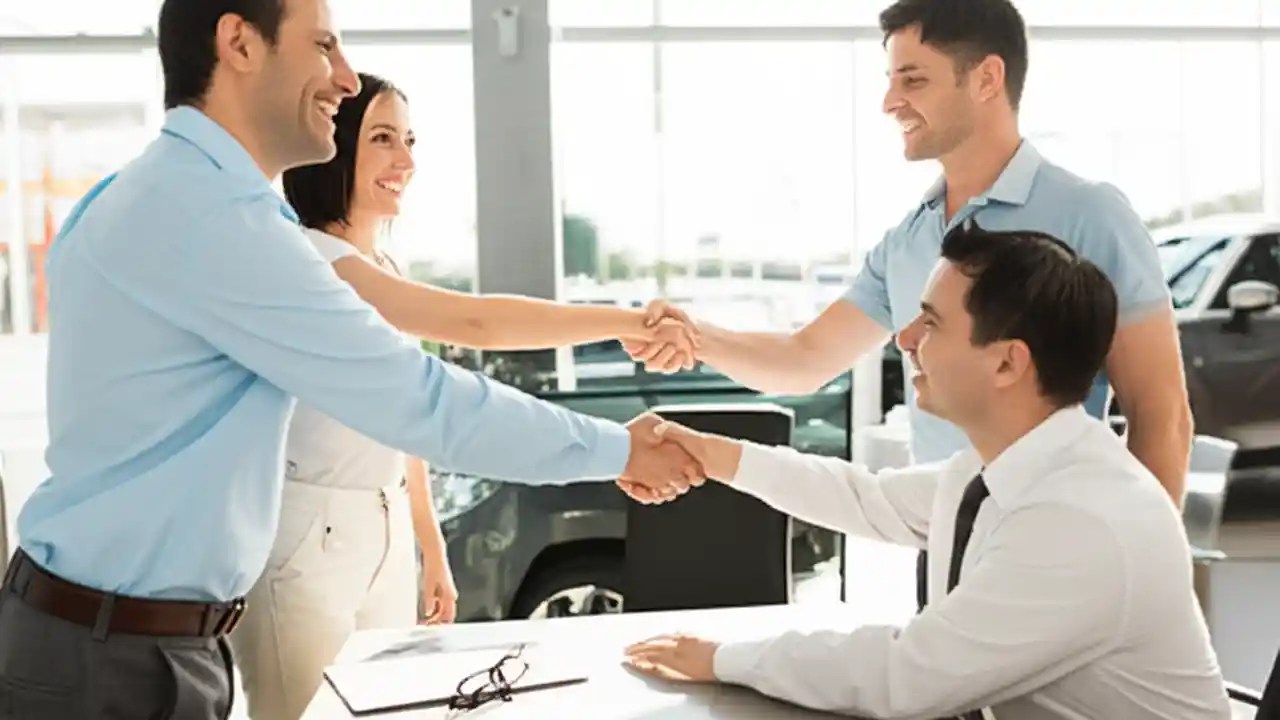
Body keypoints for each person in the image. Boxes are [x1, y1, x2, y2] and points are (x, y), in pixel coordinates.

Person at [0, 1, 699, 718]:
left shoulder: (154, 195)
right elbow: (419, 398)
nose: (341, 77)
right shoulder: (213, 219)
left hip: (132, 638)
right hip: (111, 657)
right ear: (239, 43)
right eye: (324, 46)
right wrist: (619, 448)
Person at [230, 71, 700, 720]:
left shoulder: (383, 268)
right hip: (309, 535)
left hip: (381, 525)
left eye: (411, 139)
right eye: (384, 138)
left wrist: (428, 545)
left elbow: (406, 416)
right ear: (333, 148)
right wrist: (624, 322)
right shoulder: (312, 259)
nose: (406, 160)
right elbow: (476, 321)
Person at [624, 224, 1231, 720]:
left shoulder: (1081, 520)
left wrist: (722, 659)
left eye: (931, 323)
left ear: (1007, 363)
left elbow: (907, 677)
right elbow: (865, 500)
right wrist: (707, 453)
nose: (905, 339)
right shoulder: (1006, 469)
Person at [629, 0, 1193, 506]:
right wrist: (694, 338)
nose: (889, 102)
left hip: (1056, 534)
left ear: (987, 79)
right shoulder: (909, 240)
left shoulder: (1090, 215)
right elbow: (806, 358)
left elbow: (1160, 413)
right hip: (942, 535)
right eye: (891, 80)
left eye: (913, 79)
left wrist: (1144, 563)